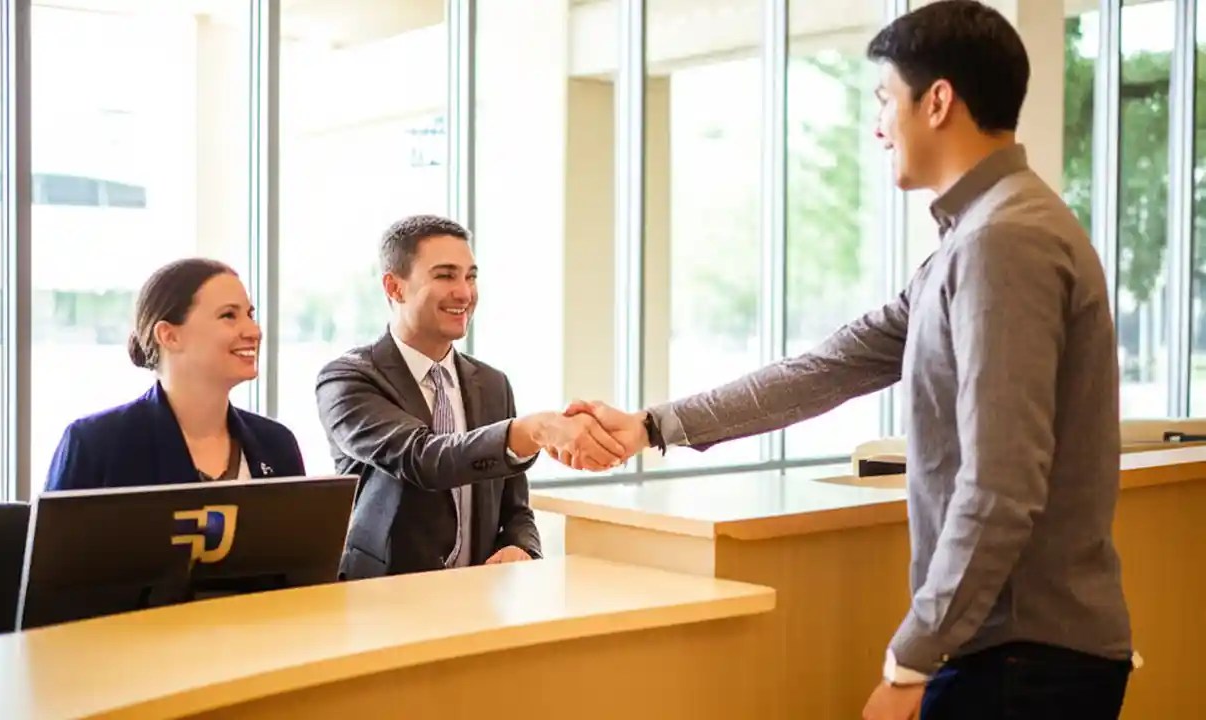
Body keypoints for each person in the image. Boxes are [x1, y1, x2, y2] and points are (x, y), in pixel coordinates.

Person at [562, 3, 1134, 719]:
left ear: (938, 101)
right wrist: (650, 425)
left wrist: (910, 663)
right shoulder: (975, 241)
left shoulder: (1004, 242)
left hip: (1022, 661)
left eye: (883, 100)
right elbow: (828, 368)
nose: (876, 126)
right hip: (1015, 652)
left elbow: (1000, 483)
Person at [316, 215, 623, 580]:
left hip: (478, 599)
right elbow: (423, 458)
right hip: (382, 601)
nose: (464, 292)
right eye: (445, 275)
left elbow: (514, 506)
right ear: (394, 287)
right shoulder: (348, 379)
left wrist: (520, 545)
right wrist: (532, 430)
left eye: (471, 276)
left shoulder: (493, 384)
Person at [45, 258, 305, 491]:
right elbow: (56, 544)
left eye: (249, 315)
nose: (254, 331)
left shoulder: (276, 445)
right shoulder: (95, 445)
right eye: (229, 315)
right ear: (169, 335)